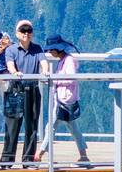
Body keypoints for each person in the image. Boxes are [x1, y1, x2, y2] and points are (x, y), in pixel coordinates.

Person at [37, 35, 89, 165]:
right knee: (73, 129)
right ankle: (83, 155)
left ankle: (39, 154)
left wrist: (55, 80)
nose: (49, 52)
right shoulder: (62, 60)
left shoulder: (68, 60)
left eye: (51, 50)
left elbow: (72, 78)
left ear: (57, 49)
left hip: (65, 101)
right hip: (62, 100)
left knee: (51, 127)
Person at [0, 20, 46, 167]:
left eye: (29, 30)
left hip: (32, 89)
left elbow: (43, 63)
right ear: (17, 33)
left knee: (31, 127)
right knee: (11, 126)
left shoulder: (37, 49)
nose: (26, 33)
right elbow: (10, 65)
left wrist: (46, 72)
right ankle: (7, 160)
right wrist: (15, 72)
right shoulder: (11, 50)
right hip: (15, 90)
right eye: (23, 30)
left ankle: (28, 160)